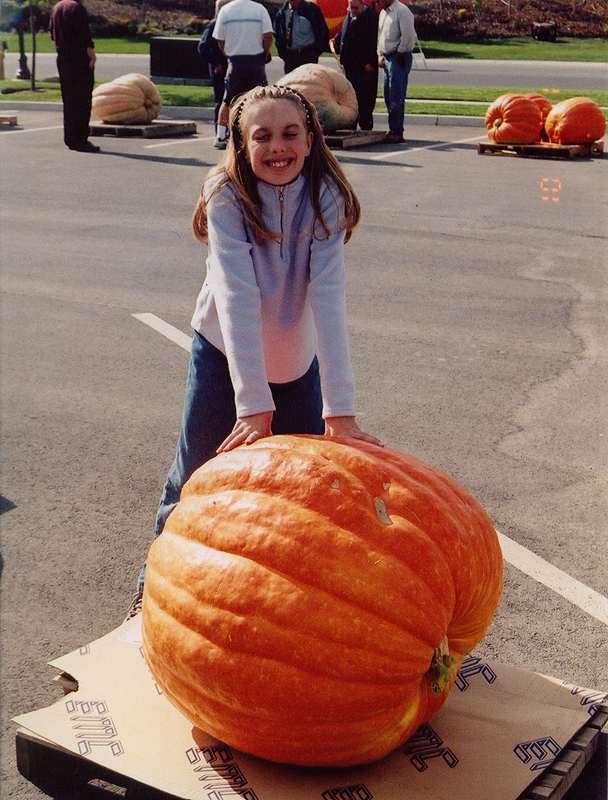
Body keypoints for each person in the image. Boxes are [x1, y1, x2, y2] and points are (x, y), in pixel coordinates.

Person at [127, 84, 382, 618]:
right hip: (223, 358)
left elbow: (329, 300)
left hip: (296, 363)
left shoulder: (325, 197)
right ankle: (151, 598)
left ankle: (280, 612)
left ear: (310, 140)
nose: (277, 146)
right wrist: (252, 401)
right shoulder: (226, 194)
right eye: (260, 136)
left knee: (299, 494)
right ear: (241, 147)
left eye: (290, 133)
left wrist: (341, 410)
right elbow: (236, 295)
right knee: (194, 476)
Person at [212, 0, 273, 149]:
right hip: (256, 61)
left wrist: (229, 53)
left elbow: (220, 39)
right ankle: (266, 134)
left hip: (235, 62)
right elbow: (268, 36)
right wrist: (265, 54)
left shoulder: (226, 10)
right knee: (262, 99)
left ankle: (220, 135)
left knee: (227, 100)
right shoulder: (259, 9)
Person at [49, 0, 99, 152]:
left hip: (63, 56)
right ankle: (80, 140)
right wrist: (91, 55)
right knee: (82, 100)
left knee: (69, 99)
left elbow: (52, 33)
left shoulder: (57, 8)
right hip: (78, 57)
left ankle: (70, 138)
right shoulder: (77, 8)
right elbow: (83, 34)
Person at [331, 0, 378, 131]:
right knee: (350, 97)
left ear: (363, 5)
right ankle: (351, 124)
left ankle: (365, 126)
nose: (353, 10)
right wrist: (336, 39)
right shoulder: (351, 16)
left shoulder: (372, 18)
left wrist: (372, 62)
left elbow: (375, 41)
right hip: (349, 65)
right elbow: (346, 32)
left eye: (356, 8)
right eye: (350, 7)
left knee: (364, 98)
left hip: (364, 66)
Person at [377, 0, 416, 143]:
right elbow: (380, 36)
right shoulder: (383, 13)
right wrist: (380, 54)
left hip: (398, 58)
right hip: (386, 57)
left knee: (396, 96)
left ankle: (397, 131)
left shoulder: (402, 11)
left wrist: (398, 54)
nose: (377, 2)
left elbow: (408, 36)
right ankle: (392, 129)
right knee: (388, 95)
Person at [273, 0, 329, 74]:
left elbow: (323, 32)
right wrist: (284, 54)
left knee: (309, 83)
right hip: (291, 57)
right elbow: (278, 35)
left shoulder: (312, 10)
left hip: (308, 56)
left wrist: (315, 53)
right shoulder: (281, 13)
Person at [198, 15, 228, 133]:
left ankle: (225, 130)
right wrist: (216, 63)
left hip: (227, 65)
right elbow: (203, 47)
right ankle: (220, 131)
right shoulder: (214, 24)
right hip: (219, 68)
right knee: (221, 99)